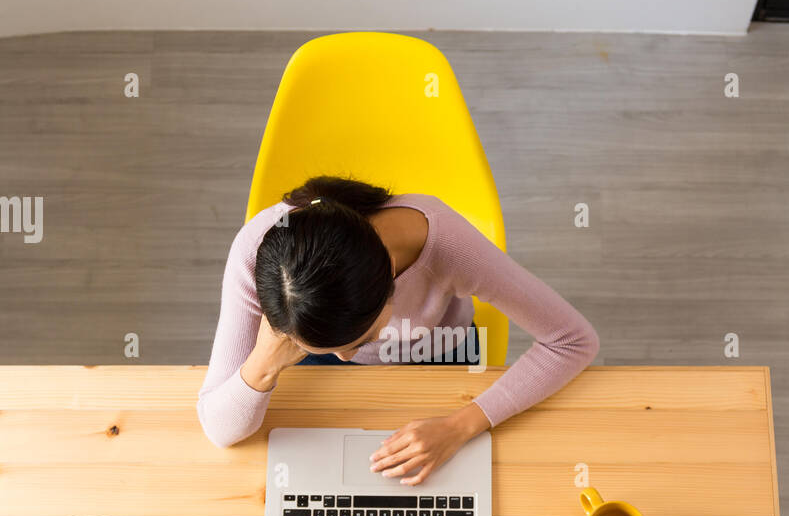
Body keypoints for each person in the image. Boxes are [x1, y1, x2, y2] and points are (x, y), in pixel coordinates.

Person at [197, 175, 600, 486]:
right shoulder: (257, 255)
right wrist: (264, 363)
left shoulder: (446, 243)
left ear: (390, 276)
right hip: (314, 361)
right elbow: (219, 430)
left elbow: (572, 340)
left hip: (438, 351)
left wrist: (460, 426)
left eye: (363, 340)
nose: (347, 358)